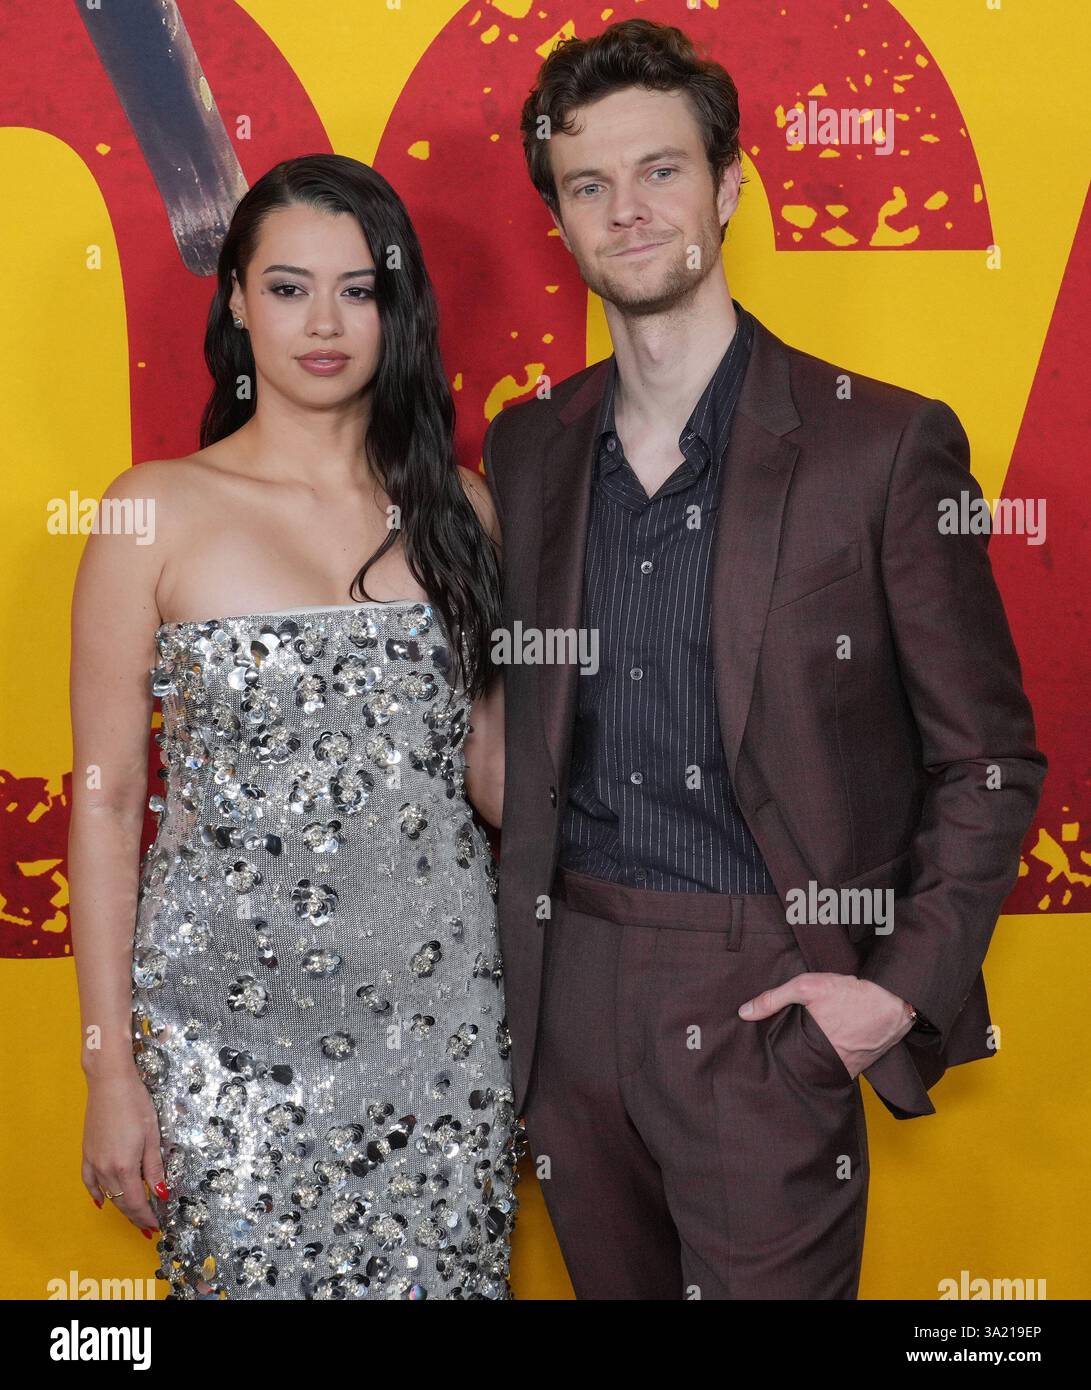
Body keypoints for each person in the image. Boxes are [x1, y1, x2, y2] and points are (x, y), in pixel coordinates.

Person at [481, 19, 1046, 1299]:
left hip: (766, 994)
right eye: (588, 184)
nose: (626, 210)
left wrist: (886, 996)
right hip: (568, 995)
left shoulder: (879, 446)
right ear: (560, 219)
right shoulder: (528, 450)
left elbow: (990, 759)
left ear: (729, 186)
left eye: (661, 170)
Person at [69, 153, 522, 1300]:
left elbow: (497, 774)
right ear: (233, 299)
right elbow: (108, 799)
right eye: (285, 287)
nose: (324, 322)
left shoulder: (458, 508)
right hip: (221, 1040)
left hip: (441, 1035)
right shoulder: (151, 510)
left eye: (357, 289)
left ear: (395, 306)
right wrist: (111, 1071)